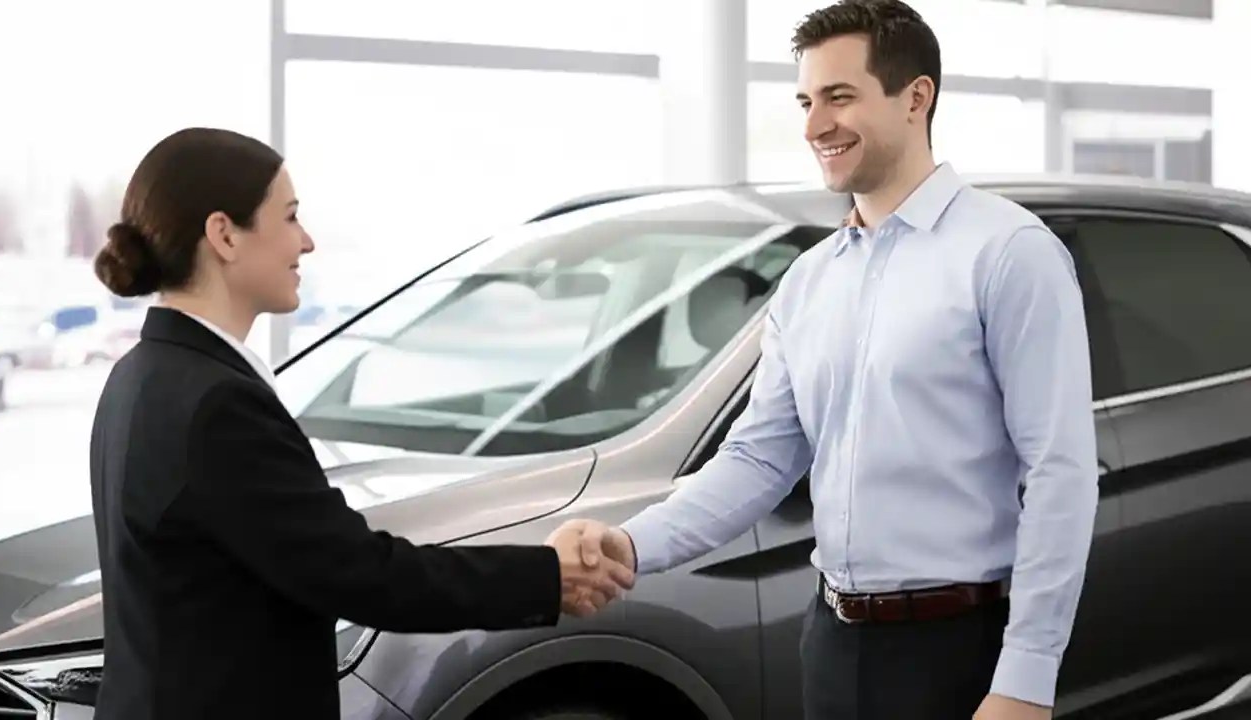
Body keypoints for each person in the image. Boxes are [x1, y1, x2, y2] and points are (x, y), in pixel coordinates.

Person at [558, 1, 1098, 718]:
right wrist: (629, 543)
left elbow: (1060, 474)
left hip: (961, 649)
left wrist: (1025, 678)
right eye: (807, 102)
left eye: (840, 98)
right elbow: (758, 459)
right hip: (832, 642)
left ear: (916, 98)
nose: (815, 126)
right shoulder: (810, 280)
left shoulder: (1008, 253)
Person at [87, 127, 634, 720]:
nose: (308, 241)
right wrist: (548, 576)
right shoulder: (217, 405)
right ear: (224, 235)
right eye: (290, 217)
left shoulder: (139, 376)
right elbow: (362, 575)